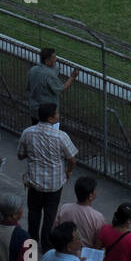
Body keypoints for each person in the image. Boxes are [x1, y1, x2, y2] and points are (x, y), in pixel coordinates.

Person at [16, 101, 78, 252]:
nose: (58, 115)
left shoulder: (28, 132)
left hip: (35, 183)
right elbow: (72, 159)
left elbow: (20, 155)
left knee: (34, 215)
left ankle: (31, 251)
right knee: (49, 217)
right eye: (56, 113)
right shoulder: (61, 136)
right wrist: (69, 171)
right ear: (50, 118)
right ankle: (47, 247)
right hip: (54, 185)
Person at [27, 48, 78, 125]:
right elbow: (61, 89)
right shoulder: (49, 75)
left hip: (34, 110)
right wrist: (72, 77)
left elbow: (29, 87)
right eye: (54, 57)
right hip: (48, 115)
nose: (56, 59)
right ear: (47, 60)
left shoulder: (33, 70)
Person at [55, 176, 106, 250]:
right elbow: (99, 242)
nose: (96, 191)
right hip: (85, 254)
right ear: (90, 196)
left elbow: (56, 228)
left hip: (64, 249)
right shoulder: (98, 217)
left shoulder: (64, 208)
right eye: (95, 190)